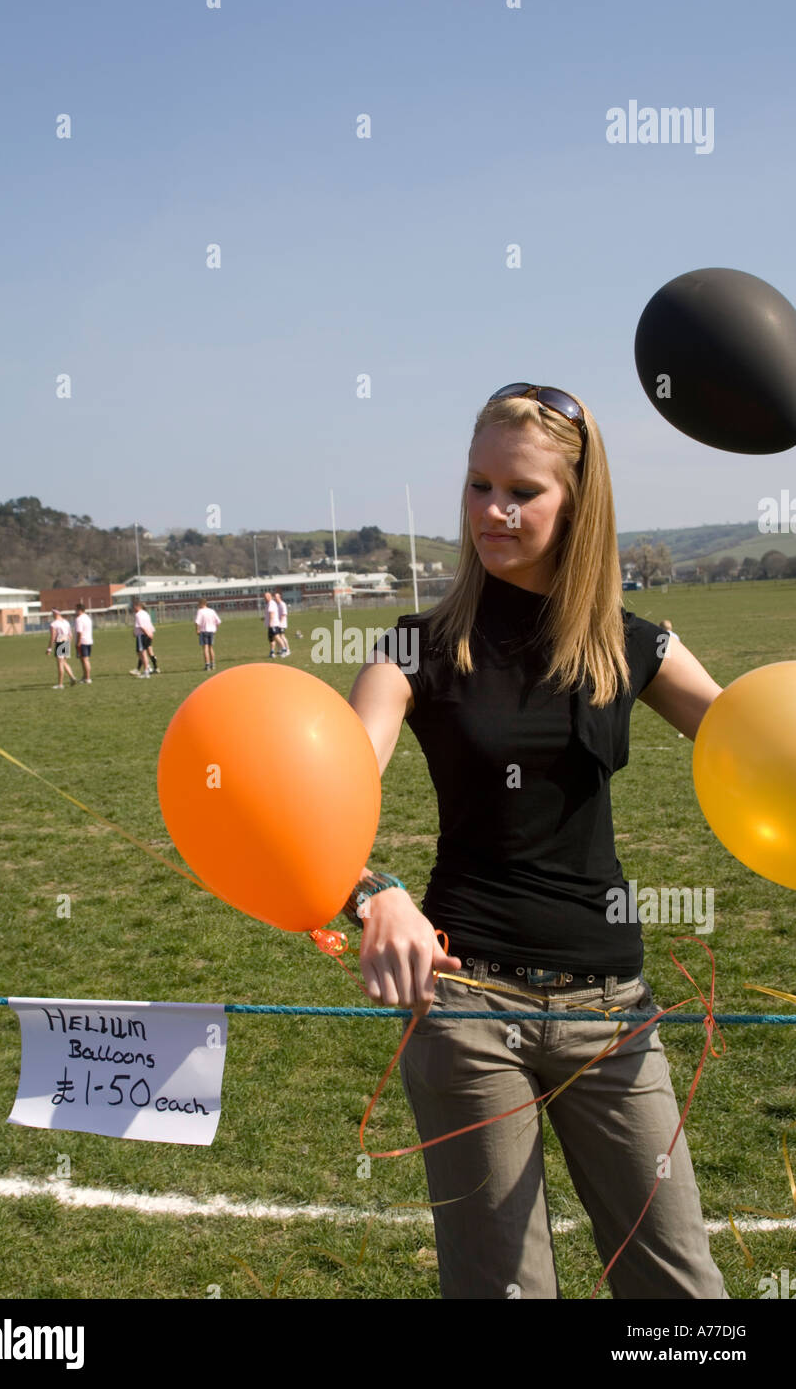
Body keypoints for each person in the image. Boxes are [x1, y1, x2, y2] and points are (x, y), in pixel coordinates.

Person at [347, 383, 728, 1300]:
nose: (492, 510)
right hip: (468, 1008)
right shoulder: (412, 648)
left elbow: (758, 749)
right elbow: (314, 808)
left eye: (521, 490)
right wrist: (373, 893)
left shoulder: (635, 645)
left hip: (612, 1009)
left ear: (578, 504)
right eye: (478, 485)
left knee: (680, 1291)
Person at [46, 609, 77, 689]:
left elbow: (53, 636)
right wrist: (69, 643)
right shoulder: (66, 622)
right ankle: (72, 677)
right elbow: (70, 634)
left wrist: (49, 648)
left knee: (60, 663)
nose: (52, 614)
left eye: (52, 613)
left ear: (56, 613)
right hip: (66, 640)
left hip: (60, 640)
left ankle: (60, 684)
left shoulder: (54, 624)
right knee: (64, 662)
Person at [195, 598, 221, 671]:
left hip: (204, 631)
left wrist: (197, 630)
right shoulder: (211, 611)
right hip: (211, 631)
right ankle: (213, 664)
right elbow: (218, 621)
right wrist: (215, 629)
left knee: (205, 648)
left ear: (201, 604)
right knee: (211, 648)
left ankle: (207, 665)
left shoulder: (200, 611)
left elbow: (197, 622)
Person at [132, 601, 156, 678]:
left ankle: (146, 671)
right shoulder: (146, 613)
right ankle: (147, 668)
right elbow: (150, 624)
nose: (133, 608)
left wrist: (146, 633)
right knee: (140, 652)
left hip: (142, 635)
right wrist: (151, 633)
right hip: (148, 634)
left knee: (143, 653)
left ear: (138, 606)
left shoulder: (138, 614)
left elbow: (141, 626)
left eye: (134, 606)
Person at [74, 602, 93, 683]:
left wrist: (78, 642)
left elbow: (79, 632)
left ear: (79, 610)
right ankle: (84, 676)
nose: (75, 611)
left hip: (82, 641)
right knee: (85, 659)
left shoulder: (79, 619)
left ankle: (87, 678)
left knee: (84, 660)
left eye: (76, 610)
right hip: (89, 640)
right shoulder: (88, 617)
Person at [263, 591, 282, 658]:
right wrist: (264, 619)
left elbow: (272, 614)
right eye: (264, 597)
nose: (264, 598)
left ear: (269, 596)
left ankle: (284, 649)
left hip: (273, 624)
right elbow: (268, 614)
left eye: (265, 597)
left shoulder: (271, 603)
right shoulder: (268, 604)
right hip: (270, 624)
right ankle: (272, 652)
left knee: (277, 637)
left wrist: (270, 623)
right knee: (271, 639)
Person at [273, 591, 291, 656]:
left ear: (279, 597)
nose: (275, 598)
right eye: (274, 597)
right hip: (277, 623)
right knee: (277, 637)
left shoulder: (282, 604)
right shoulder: (277, 605)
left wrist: (280, 623)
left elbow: (284, 614)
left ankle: (288, 650)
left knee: (282, 636)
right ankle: (280, 650)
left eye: (276, 597)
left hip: (282, 624)